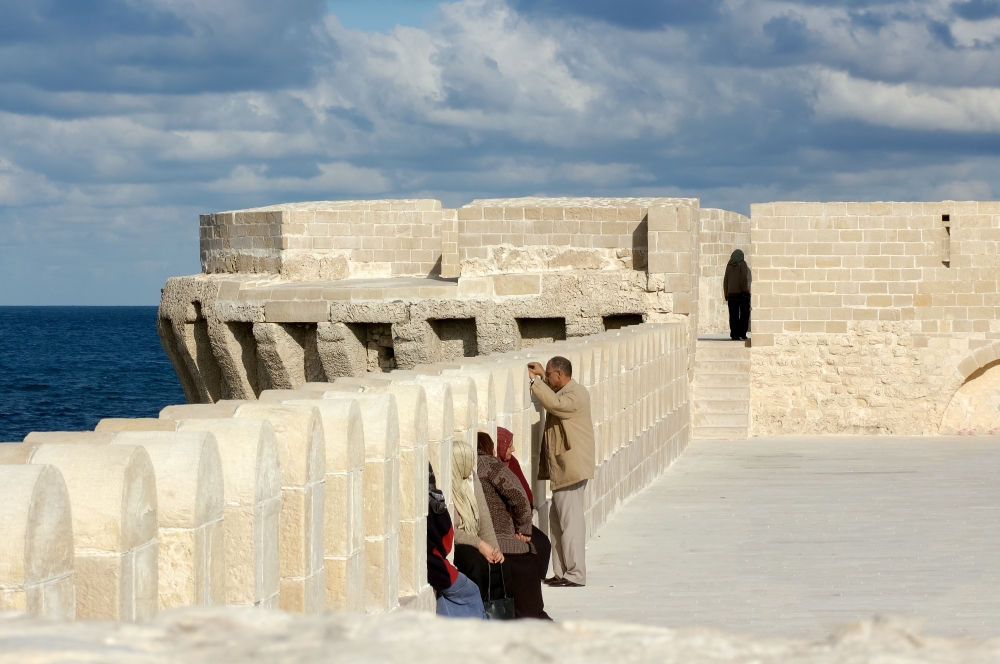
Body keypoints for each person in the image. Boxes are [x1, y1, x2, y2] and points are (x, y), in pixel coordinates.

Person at [526, 356, 595, 588]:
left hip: (571, 469)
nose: (547, 376)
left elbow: (555, 404)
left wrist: (536, 383)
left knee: (571, 523)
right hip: (563, 469)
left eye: (549, 373)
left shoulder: (576, 394)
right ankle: (561, 572)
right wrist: (543, 377)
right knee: (557, 522)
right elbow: (555, 397)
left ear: (560, 374)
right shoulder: (564, 390)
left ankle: (576, 574)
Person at [477, 431, 551, 620]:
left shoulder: (472, 466)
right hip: (505, 544)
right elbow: (519, 495)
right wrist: (524, 528)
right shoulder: (488, 464)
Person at [426, 465, 487, 619]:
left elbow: (486, 522)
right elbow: (447, 542)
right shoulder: (432, 501)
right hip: (438, 569)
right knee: (472, 590)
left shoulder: (472, 482)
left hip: (435, 569)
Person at [450, 440, 504, 602]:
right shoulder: (448, 485)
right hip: (458, 542)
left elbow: (484, 517)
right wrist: (480, 544)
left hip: (475, 539)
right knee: (475, 564)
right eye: (469, 459)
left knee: (501, 565)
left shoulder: (471, 478)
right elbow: (452, 530)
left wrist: (495, 549)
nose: (474, 462)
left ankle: (499, 617)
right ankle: (477, 613)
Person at [496, 426, 551, 580]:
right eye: (509, 445)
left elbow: (525, 495)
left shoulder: (511, 463)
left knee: (543, 544)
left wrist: (523, 527)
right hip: (502, 523)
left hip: (518, 521)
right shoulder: (492, 467)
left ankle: (536, 581)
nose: (512, 449)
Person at [724, 248, 751, 341]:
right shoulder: (742, 264)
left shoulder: (729, 265)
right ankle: (742, 333)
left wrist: (726, 294)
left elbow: (725, 281)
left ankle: (734, 334)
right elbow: (744, 277)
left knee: (733, 315)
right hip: (741, 294)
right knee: (744, 314)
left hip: (731, 295)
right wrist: (745, 290)